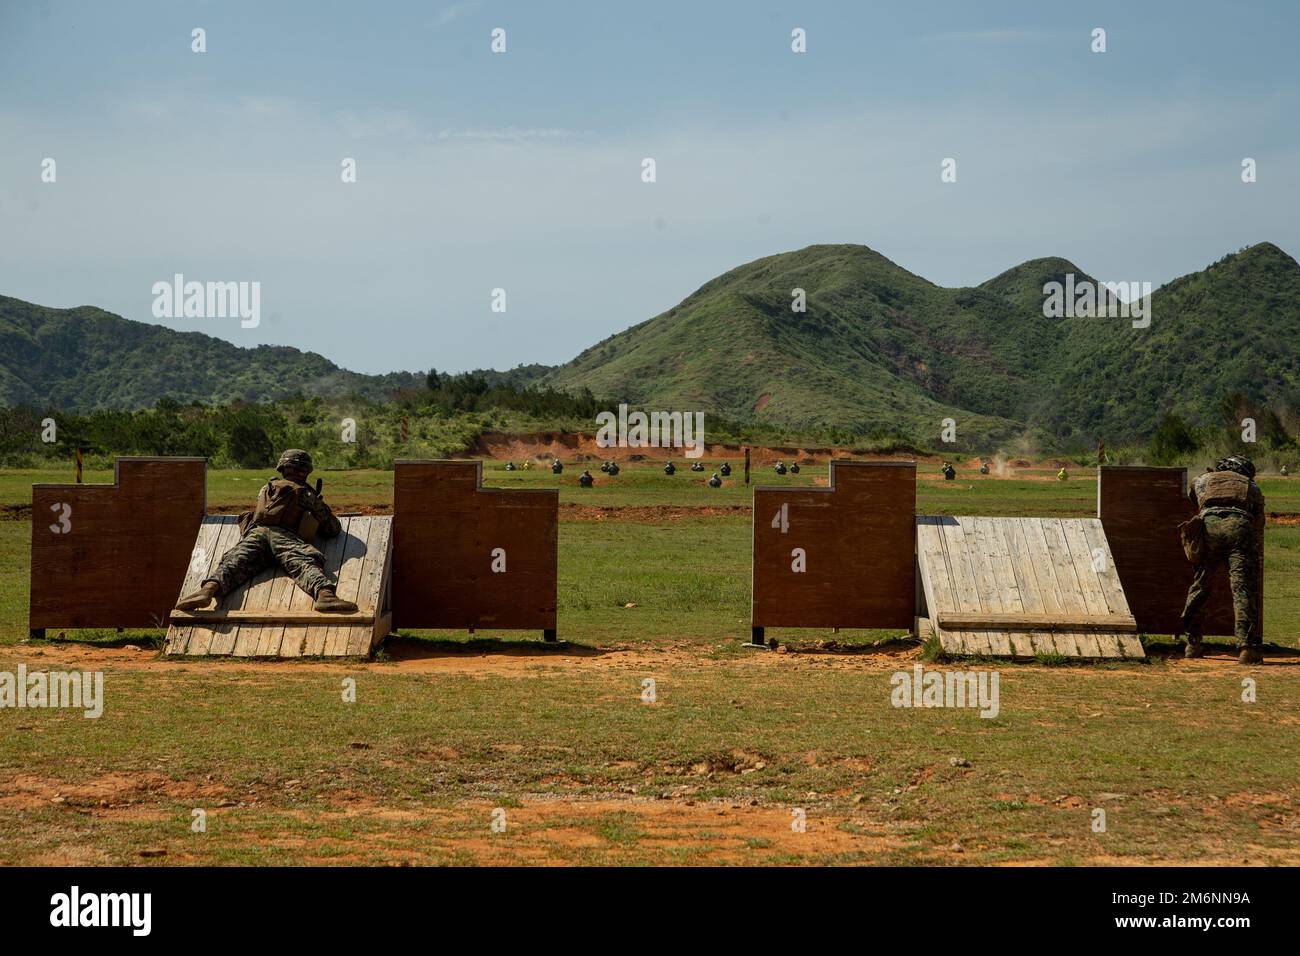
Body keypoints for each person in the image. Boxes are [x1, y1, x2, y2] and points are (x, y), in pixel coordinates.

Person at [176, 449, 356, 613]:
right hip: (285, 537)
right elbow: (332, 529)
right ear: (305, 470)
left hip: (257, 533)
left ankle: (208, 590)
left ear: (282, 467)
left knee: (234, 562)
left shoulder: (266, 488)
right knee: (303, 562)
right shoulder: (305, 494)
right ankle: (325, 596)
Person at [1182, 456, 1265, 664]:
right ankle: (1246, 648)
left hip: (1208, 526)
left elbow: (1195, 502)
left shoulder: (1202, 480)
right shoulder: (1251, 486)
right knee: (1242, 588)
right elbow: (1258, 521)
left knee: (1201, 584)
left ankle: (1193, 644)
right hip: (1239, 527)